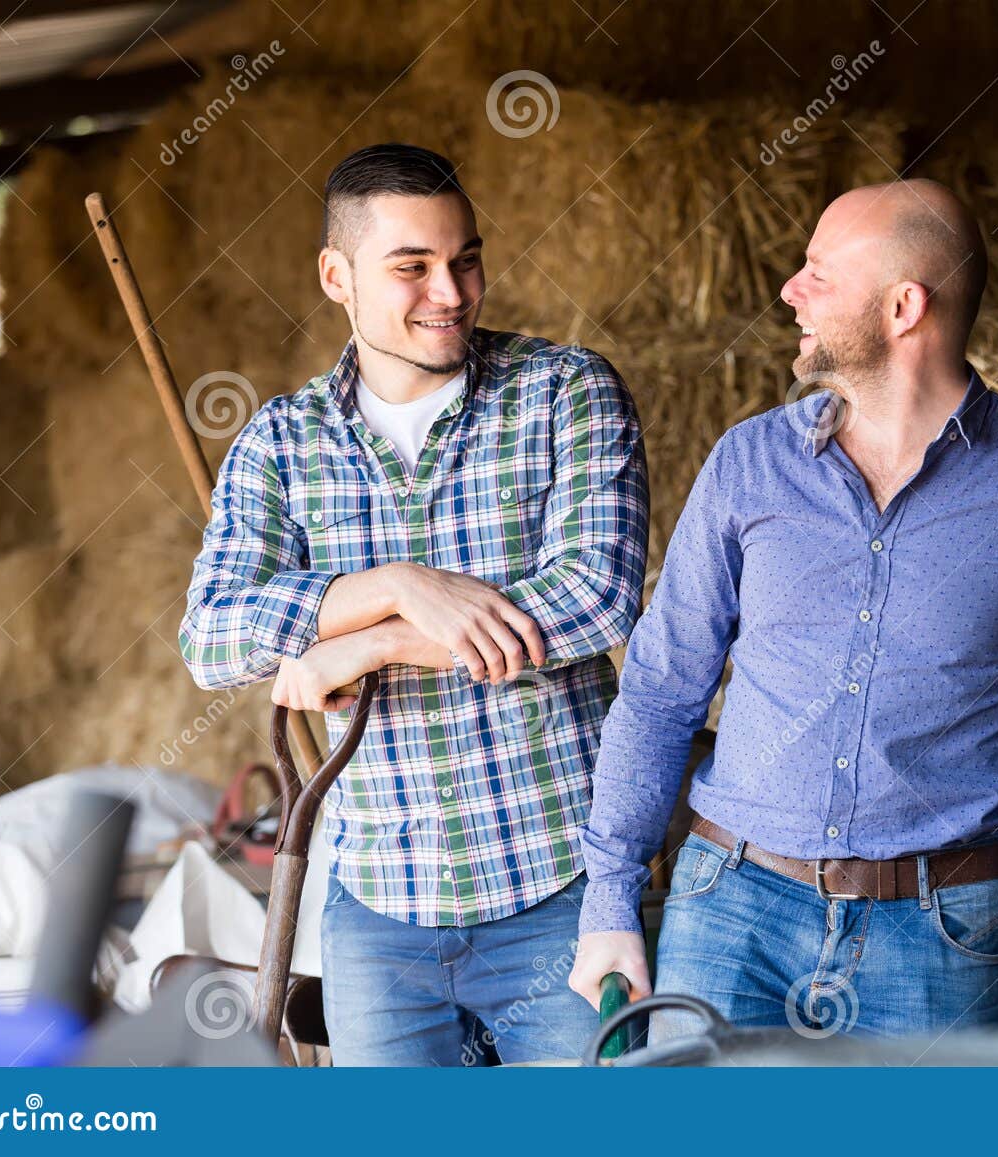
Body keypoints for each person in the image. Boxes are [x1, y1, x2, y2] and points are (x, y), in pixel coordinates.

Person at [568, 179, 998, 1040]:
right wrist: (611, 893)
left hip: (941, 934)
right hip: (729, 906)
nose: (787, 291)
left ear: (903, 307)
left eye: (816, 273)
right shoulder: (750, 464)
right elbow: (660, 687)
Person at [179, 143, 649, 1065]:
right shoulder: (280, 444)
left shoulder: (567, 394)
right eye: (413, 267)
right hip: (378, 917)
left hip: (558, 893)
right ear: (335, 276)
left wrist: (362, 642)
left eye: (465, 258)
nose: (452, 291)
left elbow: (596, 600)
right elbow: (211, 633)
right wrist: (399, 584)